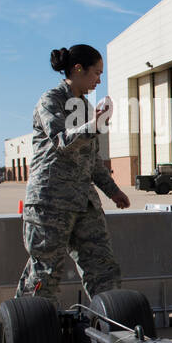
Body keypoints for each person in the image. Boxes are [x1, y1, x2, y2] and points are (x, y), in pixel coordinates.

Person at [16, 44, 131, 303]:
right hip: (50, 202)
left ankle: (110, 324)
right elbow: (61, 140)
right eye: (96, 73)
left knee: (103, 268)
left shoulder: (87, 108)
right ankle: (28, 329)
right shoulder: (51, 100)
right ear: (78, 69)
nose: (100, 80)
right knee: (45, 273)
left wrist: (113, 191)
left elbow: (92, 161)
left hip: (84, 202)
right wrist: (94, 125)